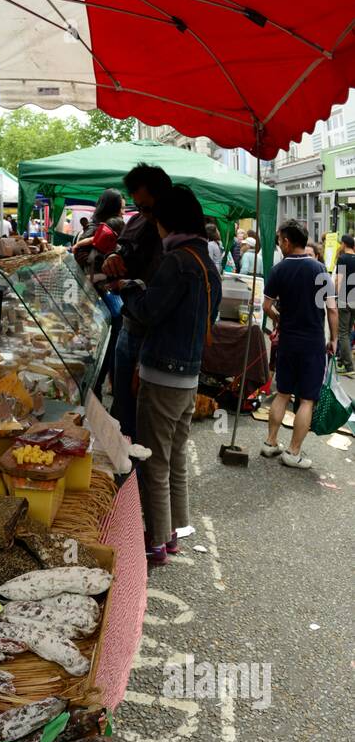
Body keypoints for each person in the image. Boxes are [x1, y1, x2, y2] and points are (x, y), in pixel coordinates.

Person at [116, 185, 221, 566]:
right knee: (174, 458)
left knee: (155, 462)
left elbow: (149, 311)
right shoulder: (206, 258)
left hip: (163, 374)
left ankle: (155, 542)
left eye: (156, 218)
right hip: (189, 375)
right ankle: (174, 532)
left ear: (168, 220)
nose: (154, 226)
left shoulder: (177, 260)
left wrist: (127, 289)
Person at [102, 162, 173, 439]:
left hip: (156, 337)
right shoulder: (138, 221)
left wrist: (144, 363)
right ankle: (125, 476)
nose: (142, 212)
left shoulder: (179, 234)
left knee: (147, 424)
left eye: (147, 206)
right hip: (129, 328)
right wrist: (112, 258)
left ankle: (140, 478)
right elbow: (121, 251)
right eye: (137, 206)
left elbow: (164, 301)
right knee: (122, 411)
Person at [260, 219, 338, 469]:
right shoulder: (319, 270)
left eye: (280, 239)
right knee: (306, 399)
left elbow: (267, 306)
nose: (279, 244)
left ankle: (270, 443)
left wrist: (280, 321)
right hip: (313, 341)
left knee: (282, 393)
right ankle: (293, 452)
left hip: (288, 341)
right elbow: (332, 309)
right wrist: (334, 339)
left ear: (288, 241)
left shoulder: (279, 269)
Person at [72, 188, 124, 274]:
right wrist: (103, 263)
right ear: (111, 208)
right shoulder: (95, 228)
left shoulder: (109, 226)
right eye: (121, 208)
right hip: (92, 283)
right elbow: (80, 255)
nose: (123, 212)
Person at [334, 233, 355, 373]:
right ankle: (341, 359)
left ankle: (349, 365)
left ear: (343, 244)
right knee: (348, 330)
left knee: (343, 332)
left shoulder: (342, 258)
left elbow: (339, 279)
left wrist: (336, 295)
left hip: (344, 297)